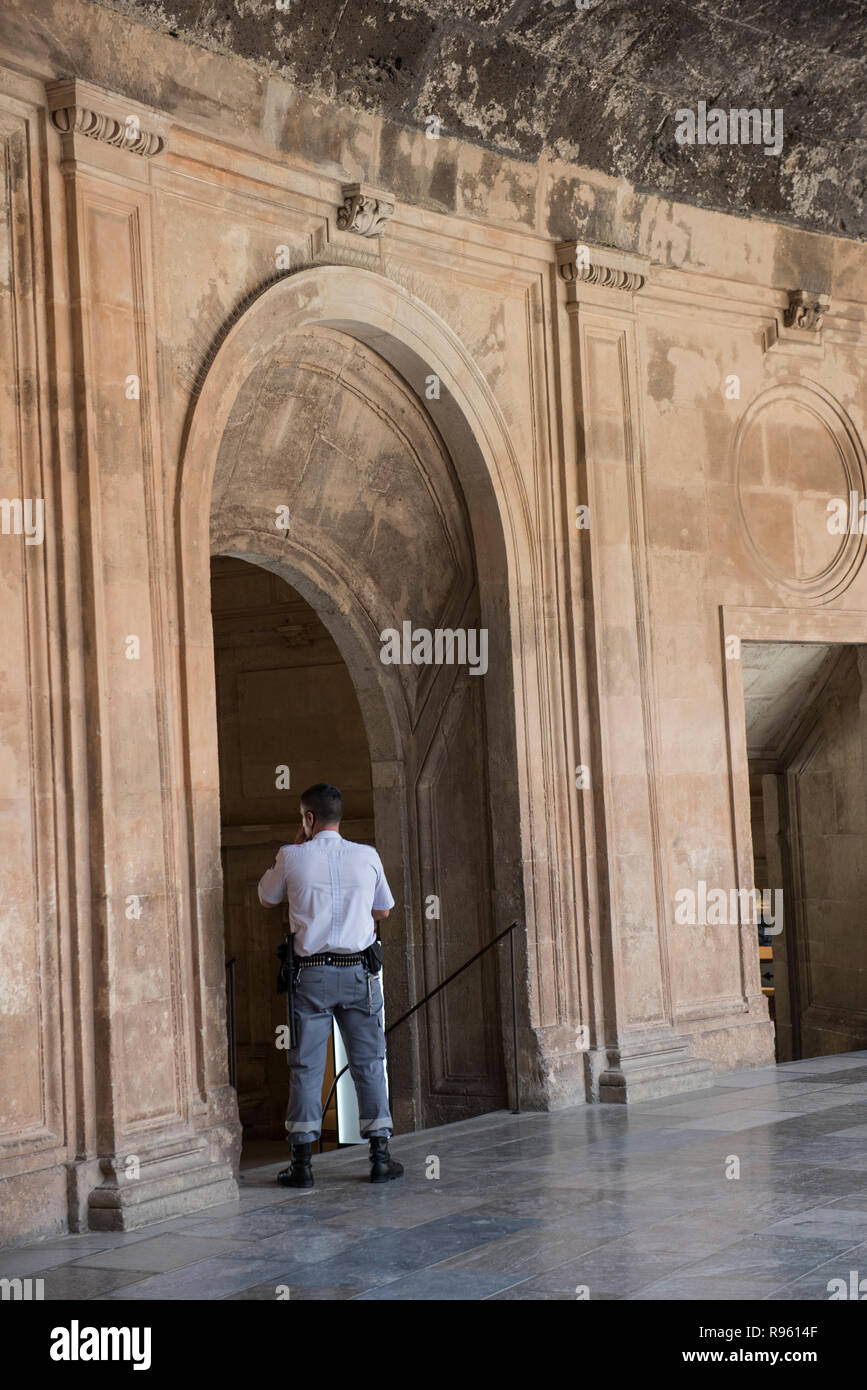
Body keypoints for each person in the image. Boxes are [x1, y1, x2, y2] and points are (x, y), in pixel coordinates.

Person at [257, 782, 404, 1190]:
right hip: (359, 973)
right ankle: (379, 1157)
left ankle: (301, 1164)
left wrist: (295, 846)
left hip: (312, 975)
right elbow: (384, 909)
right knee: (370, 1061)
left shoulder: (291, 856)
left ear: (308, 818)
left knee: (306, 1065)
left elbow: (267, 898)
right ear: (339, 817)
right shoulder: (367, 855)